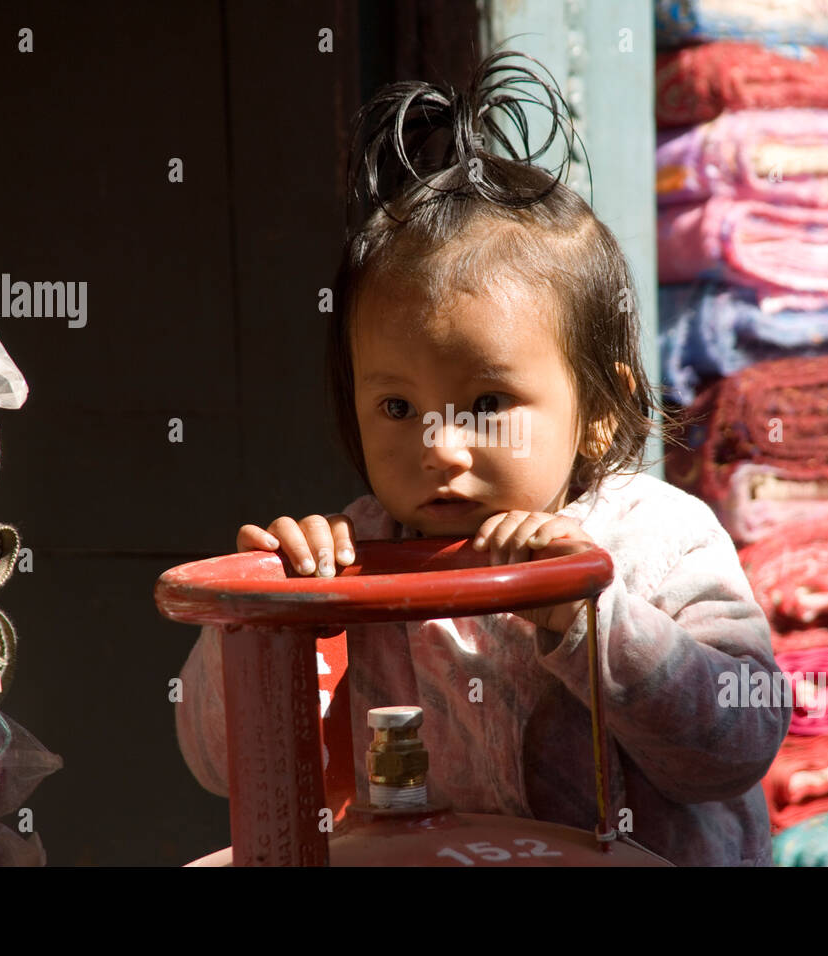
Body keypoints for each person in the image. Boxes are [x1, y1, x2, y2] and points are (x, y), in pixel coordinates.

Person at [175, 50, 788, 866]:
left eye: (489, 405)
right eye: (397, 407)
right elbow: (218, 765)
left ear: (602, 413)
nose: (439, 446)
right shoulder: (352, 565)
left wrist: (590, 623)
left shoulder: (656, 539)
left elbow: (737, 743)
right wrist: (271, 630)